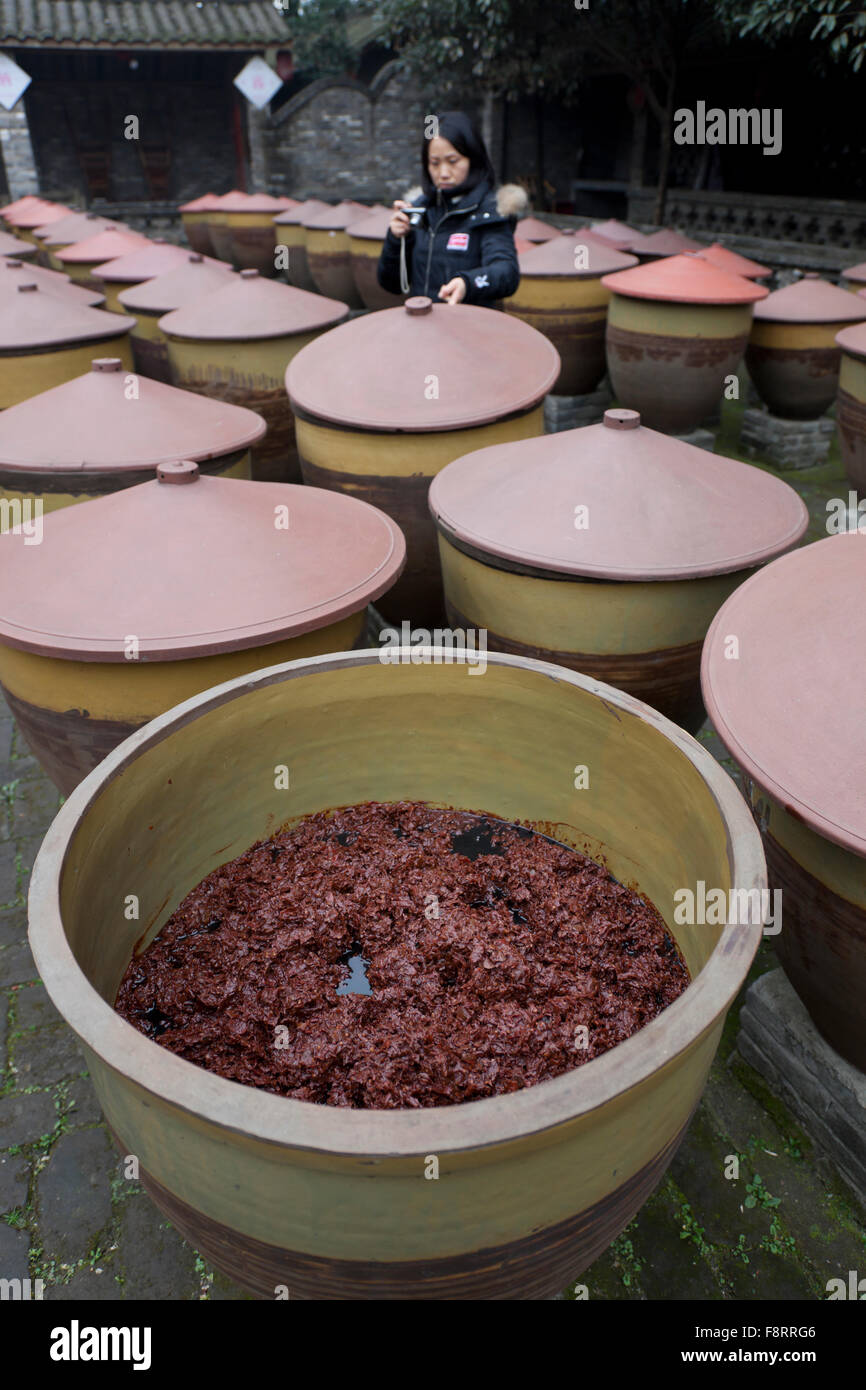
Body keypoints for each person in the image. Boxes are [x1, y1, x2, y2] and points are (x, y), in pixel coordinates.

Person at [377, 110, 528, 308]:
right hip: (422, 322)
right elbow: (391, 284)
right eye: (434, 163)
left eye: (453, 161)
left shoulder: (490, 210)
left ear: (473, 158)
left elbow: (506, 273)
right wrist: (396, 240)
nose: (443, 173)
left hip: (469, 324)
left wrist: (468, 284)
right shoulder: (420, 209)